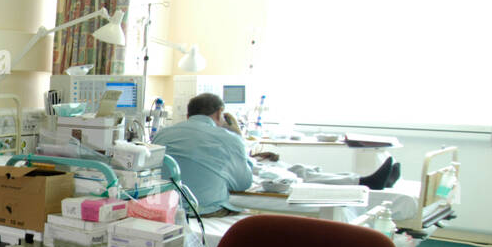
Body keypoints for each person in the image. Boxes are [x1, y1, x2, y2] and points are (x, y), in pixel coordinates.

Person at [155, 94, 400, 215]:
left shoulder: (163, 135)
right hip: (208, 208)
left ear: (188, 115)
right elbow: (244, 183)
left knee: (292, 170)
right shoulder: (228, 138)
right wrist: (238, 142)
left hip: (169, 205)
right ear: (220, 114)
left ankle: (362, 181)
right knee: (293, 175)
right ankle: (361, 182)